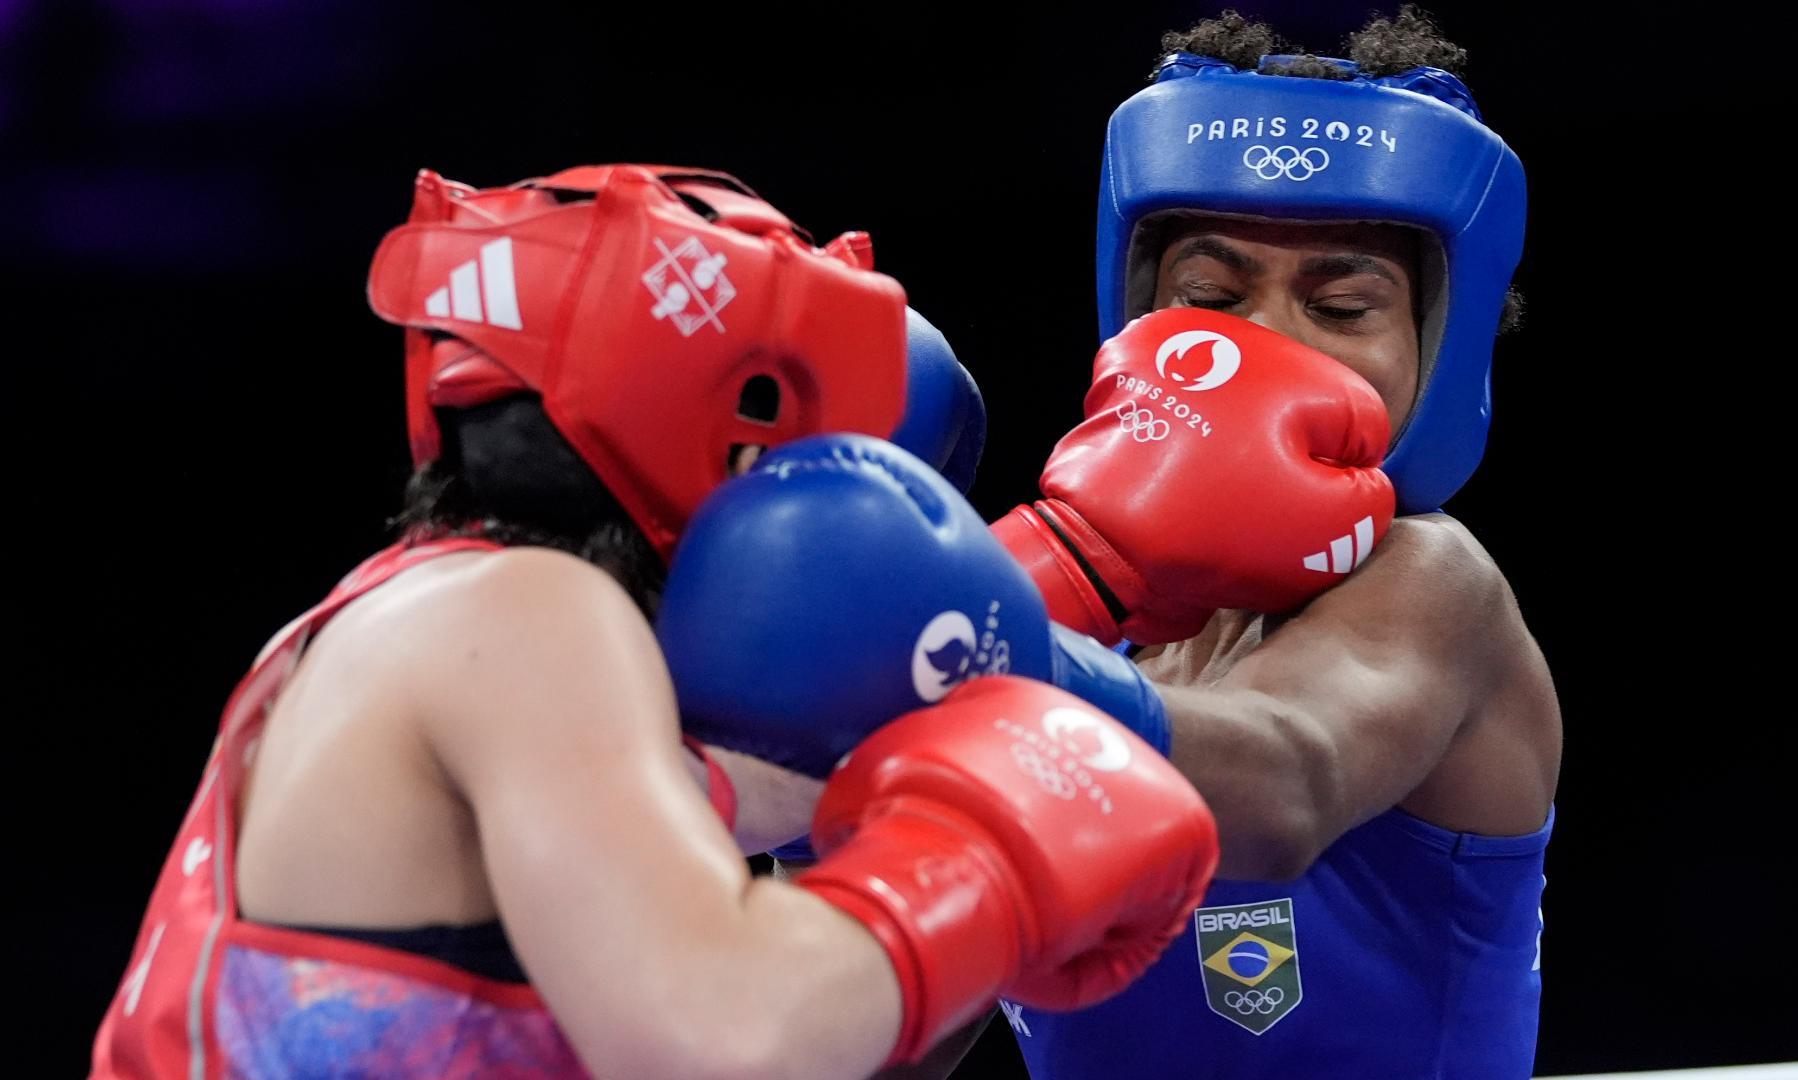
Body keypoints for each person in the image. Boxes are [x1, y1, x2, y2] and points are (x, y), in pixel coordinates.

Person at [86, 163, 1220, 1079]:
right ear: (732, 438)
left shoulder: (437, 616)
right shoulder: (529, 614)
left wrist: (1045, 629)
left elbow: (771, 783)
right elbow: (729, 1033)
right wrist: (986, 861)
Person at [974, 8, 1562, 1077]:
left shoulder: (1434, 583)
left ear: (1441, 344)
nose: (1269, 346)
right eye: (1211, 296)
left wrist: (929, 651)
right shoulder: (1076, 636)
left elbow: (1286, 781)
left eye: (1340, 306)